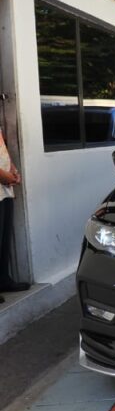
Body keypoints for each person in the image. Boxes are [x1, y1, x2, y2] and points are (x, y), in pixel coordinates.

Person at [0, 127, 27, 304]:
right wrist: (4, 176)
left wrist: (12, 168)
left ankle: (3, 280)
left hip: (4, 189)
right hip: (2, 181)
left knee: (4, 238)